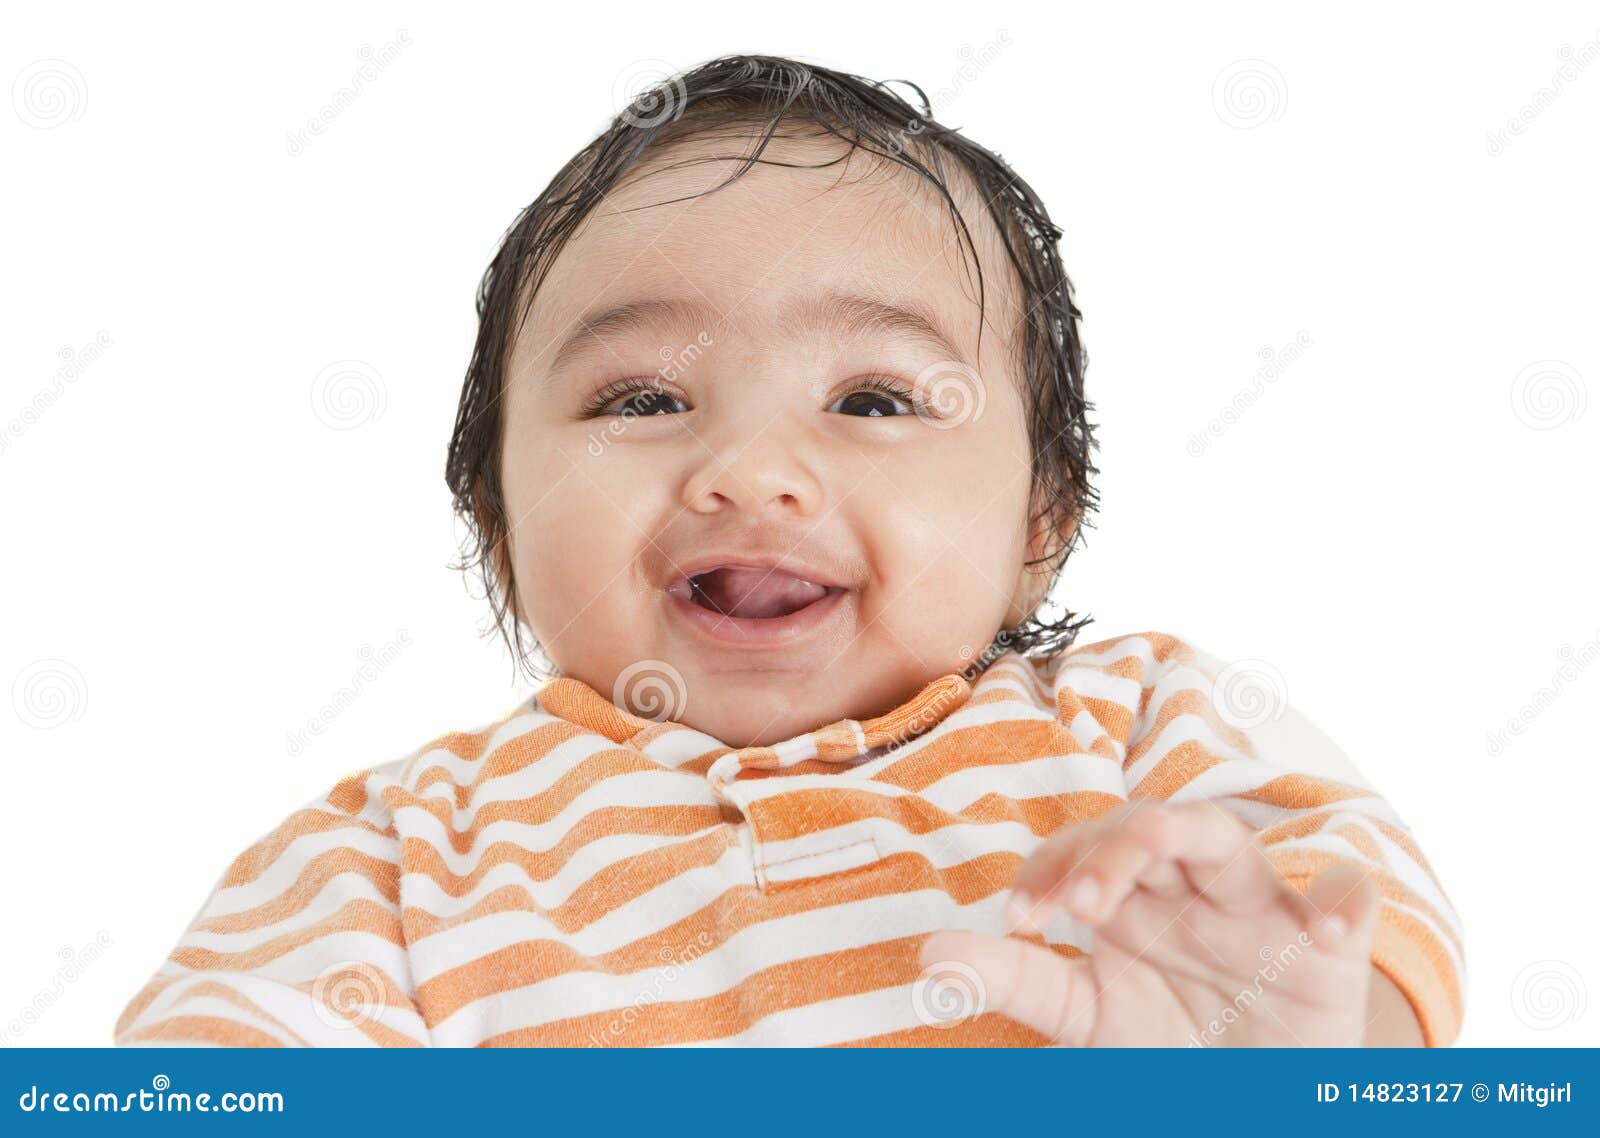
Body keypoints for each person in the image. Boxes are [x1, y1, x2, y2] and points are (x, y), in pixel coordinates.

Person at [115, 54, 1463, 1047]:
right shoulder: (396, 852)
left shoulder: (1140, 731)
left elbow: (1359, 917)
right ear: (495, 517)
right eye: (640, 400)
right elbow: (218, 1059)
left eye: (874, 400)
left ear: (1041, 518)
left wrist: (1288, 1046)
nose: (751, 470)